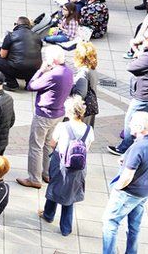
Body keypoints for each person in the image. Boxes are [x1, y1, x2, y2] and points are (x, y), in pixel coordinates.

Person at [16, 46, 73, 189]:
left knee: (36, 146)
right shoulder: (68, 71)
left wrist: (41, 70)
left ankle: (34, 179)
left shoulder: (53, 74)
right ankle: (47, 173)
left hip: (44, 114)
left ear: (52, 60)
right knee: (48, 144)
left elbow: (31, 86)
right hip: (58, 114)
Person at [102, 111, 148, 254]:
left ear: (139, 127)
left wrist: (117, 188)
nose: (129, 125)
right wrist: (126, 160)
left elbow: (127, 176)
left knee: (110, 223)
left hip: (129, 193)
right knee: (134, 227)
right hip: (144, 191)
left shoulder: (139, 147)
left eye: (132, 122)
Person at [39, 97, 93, 236]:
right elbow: (87, 147)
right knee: (70, 195)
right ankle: (66, 228)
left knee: (54, 187)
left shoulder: (62, 126)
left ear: (68, 111)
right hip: (79, 166)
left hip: (61, 162)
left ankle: (48, 215)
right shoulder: (89, 129)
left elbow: (52, 143)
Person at [109, 27, 148, 155]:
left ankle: (124, 147)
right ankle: (146, 144)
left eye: (147, 39)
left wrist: (137, 50)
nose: (144, 41)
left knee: (131, 120)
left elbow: (131, 67)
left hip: (145, 95)